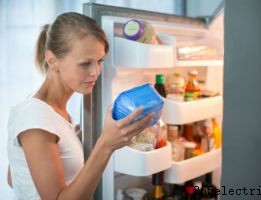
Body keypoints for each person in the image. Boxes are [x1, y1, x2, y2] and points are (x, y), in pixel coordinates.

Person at [6, 12, 154, 200]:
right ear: (52, 60)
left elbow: (15, 177)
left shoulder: (52, 113)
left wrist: (76, 138)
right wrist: (106, 145)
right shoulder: (35, 118)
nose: (96, 72)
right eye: (85, 64)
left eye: (100, 61)